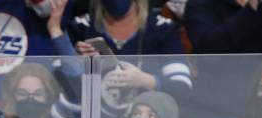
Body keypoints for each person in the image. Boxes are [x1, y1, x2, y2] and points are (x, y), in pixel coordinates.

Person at [59, 0, 195, 106]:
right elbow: (57, 86)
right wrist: (77, 61)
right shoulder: (81, 27)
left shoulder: (162, 29)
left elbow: (182, 89)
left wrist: (148, 81)